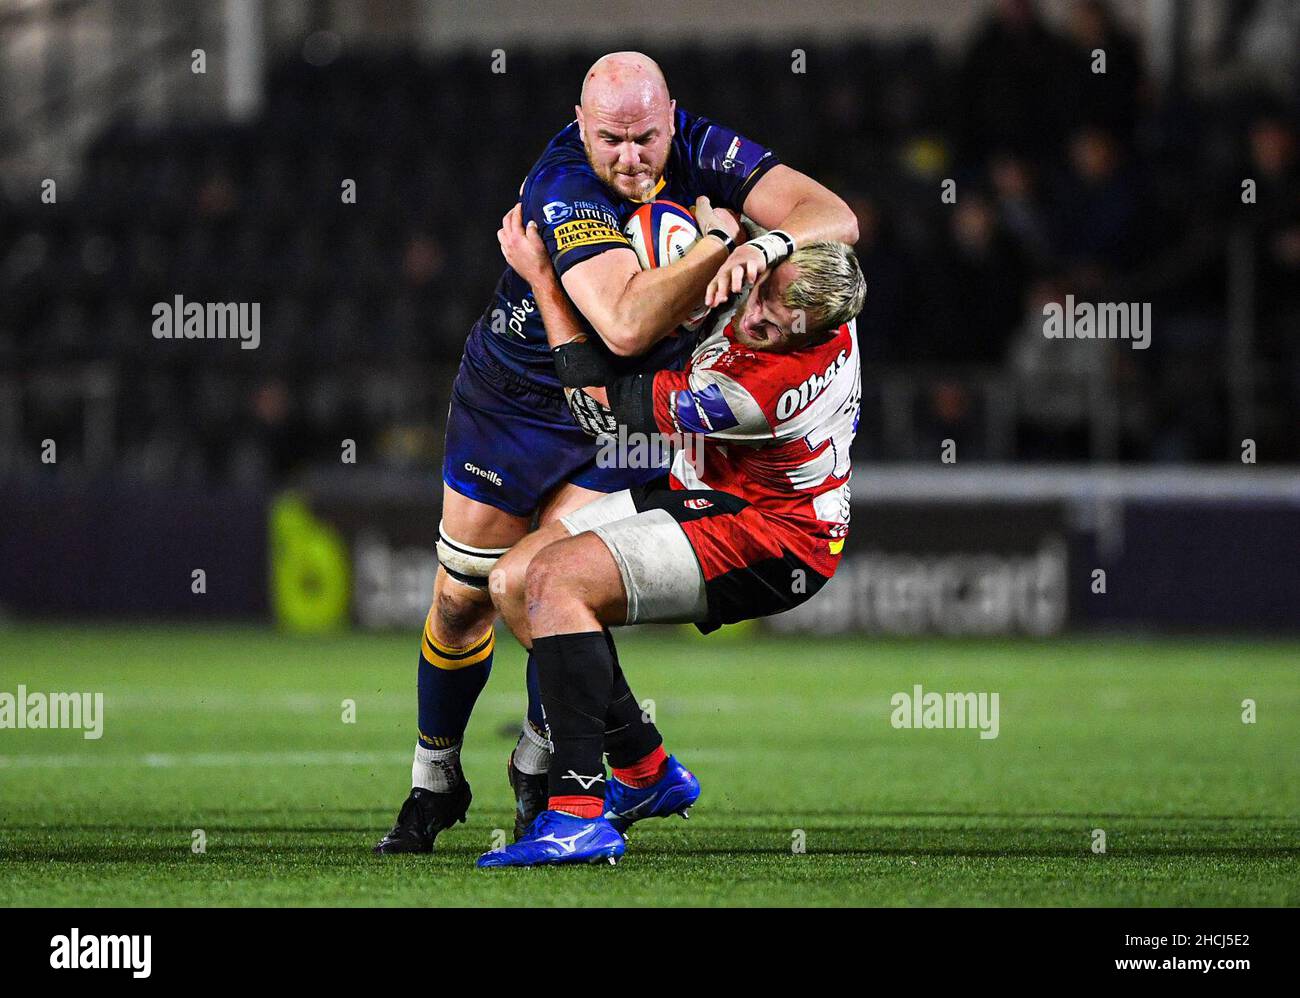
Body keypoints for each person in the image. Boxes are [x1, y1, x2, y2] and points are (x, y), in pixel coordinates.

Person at [374, 51, 859, 854]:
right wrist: (718, 243)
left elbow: (832, 214)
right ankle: (441, 776)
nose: (631, 158)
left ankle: (551, 777)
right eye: (610, 141)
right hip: (519, 402)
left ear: (674, 119)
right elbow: (626, 323)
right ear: (578, 125)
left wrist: (762, 250)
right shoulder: (564, 184)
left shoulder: (703, 152)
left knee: (541, 584)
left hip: (624, 413)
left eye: (646, 139)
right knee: (465, 599)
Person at [475, 204, 865, 867]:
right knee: (513, 581)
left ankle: (577, 815)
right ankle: (645, 768)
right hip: (704, 488)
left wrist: (543, 278)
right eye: (764, 295)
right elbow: (820, 216)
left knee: (557, 581)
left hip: (771, 533)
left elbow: (594, 402)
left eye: (776, 324)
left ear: (814, 336)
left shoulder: (751, 394)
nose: (757, 316)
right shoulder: (807, 286)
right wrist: (730, 225)